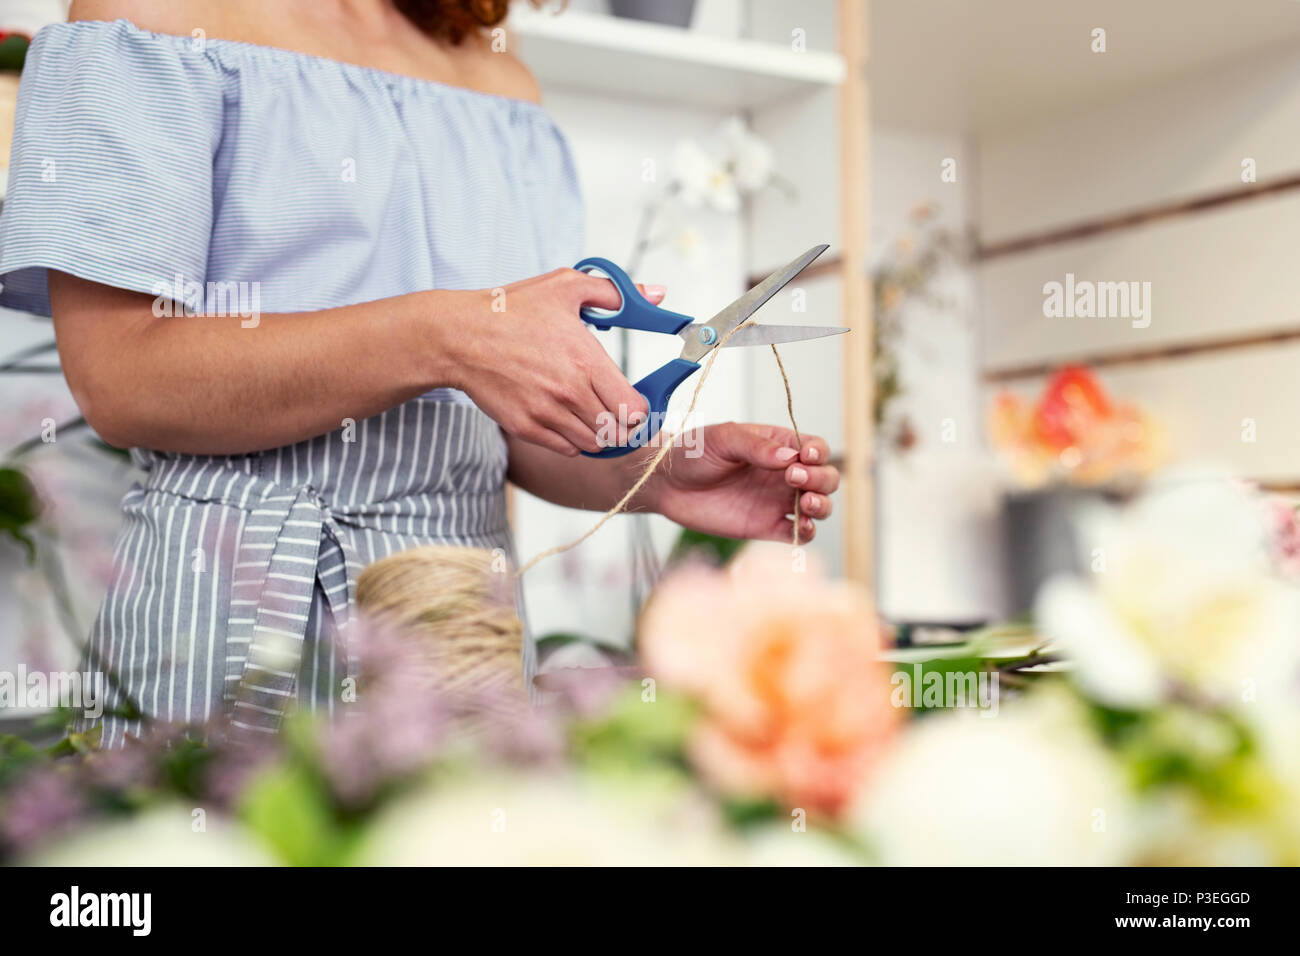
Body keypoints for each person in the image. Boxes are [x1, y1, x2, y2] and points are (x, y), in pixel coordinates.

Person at [0, 0, 840, 745]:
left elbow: (515, 426)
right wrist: (444, 336)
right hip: (222, 623)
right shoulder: (150, 16)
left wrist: (653, 472)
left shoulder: (502, 83)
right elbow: (122, 379)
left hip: (458, 632)